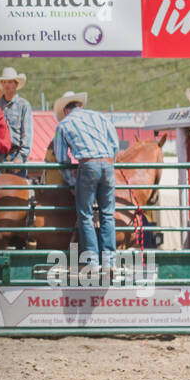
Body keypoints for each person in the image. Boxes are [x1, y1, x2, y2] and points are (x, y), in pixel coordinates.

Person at [51, 91, 121, 271]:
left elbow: (61, 157)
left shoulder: (63, 125)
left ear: (65, 110)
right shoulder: (100, 117)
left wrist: (71, 182)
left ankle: (92, 262)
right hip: (107, 164)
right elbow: (115, 144)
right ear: (80, 105)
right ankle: (110, 261)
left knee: (85, 215)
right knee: (107, 213)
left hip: (87, 166)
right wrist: (108, 161)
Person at [0, 67, 33, 164]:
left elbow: (27, 134)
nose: (6, 85)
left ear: (16, 84)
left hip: (16, 155)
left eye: (10, 82)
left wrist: (21, 157)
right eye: (4, 82)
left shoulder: (23, 105)